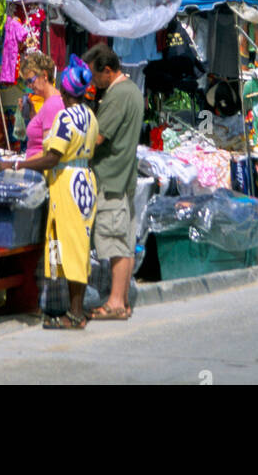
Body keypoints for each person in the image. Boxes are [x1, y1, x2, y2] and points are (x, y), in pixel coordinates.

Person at [2, 55, 98, 329]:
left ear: (66, 91)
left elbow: (52, 157)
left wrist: (16, 163)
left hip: (66, 184)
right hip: (83, 180)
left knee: (72, 246)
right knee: (63, 244)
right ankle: (58, 305)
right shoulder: (90, 116)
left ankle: (75, 313)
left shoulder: (66, 118)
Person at [84, 44, 144, 320]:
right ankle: (122, 300)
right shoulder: (131, 90)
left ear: (107, 71)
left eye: (96, 76)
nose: (93, 82)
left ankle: (116, 302)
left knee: (115, 242)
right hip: (125, 176)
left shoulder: (117, 96)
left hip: (111, 178)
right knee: (125, 240)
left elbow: (96, 137)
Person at [18, 52, 64, 160]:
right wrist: (32, 114)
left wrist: (19, 165)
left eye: (30, 81)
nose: (29, 86)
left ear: (44, 75)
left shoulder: (52, 104)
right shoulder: (50, 101)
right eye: (26, 82)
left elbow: (47, 151)